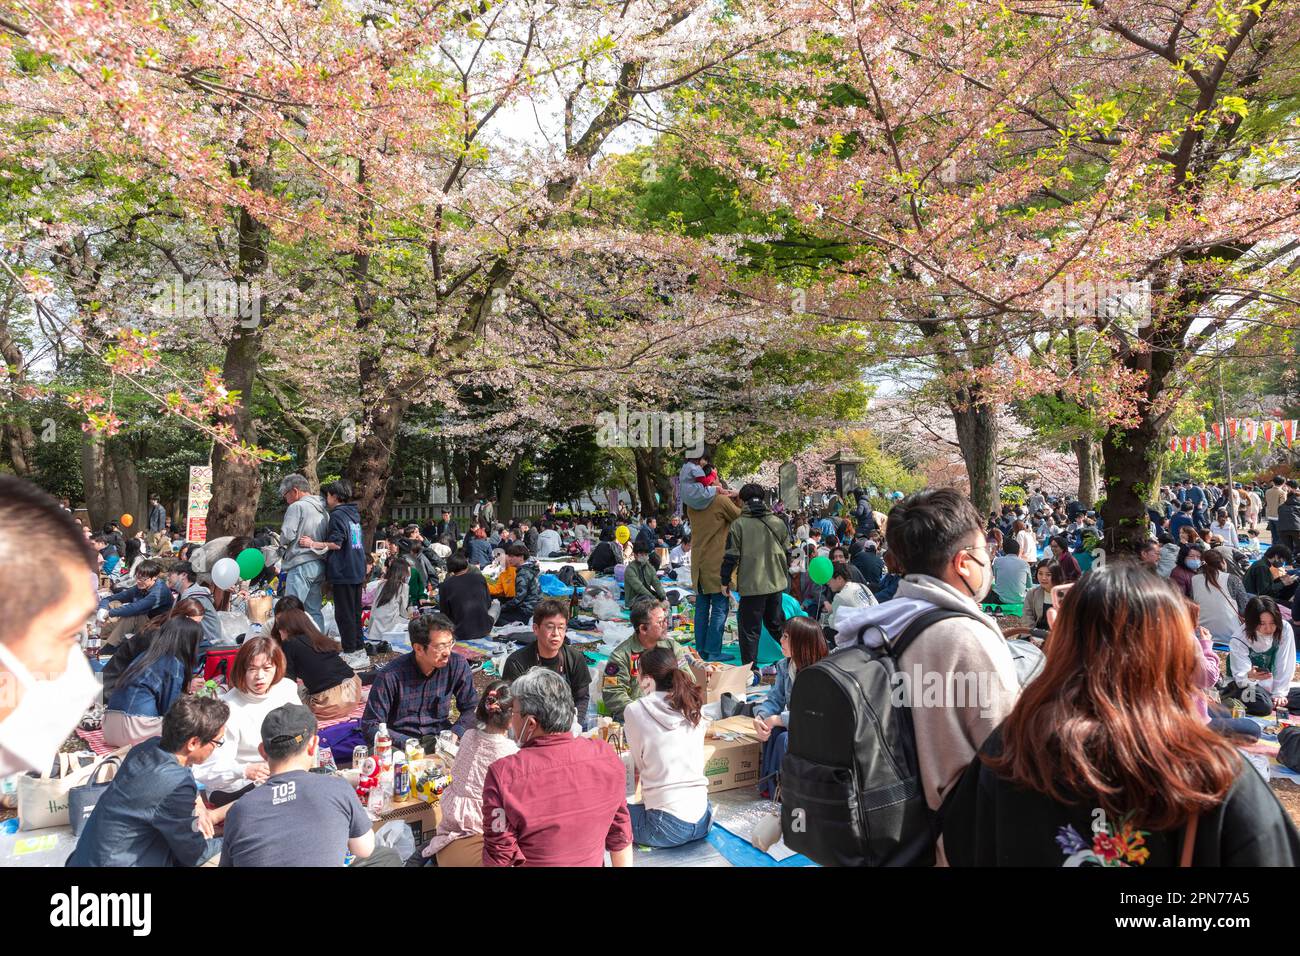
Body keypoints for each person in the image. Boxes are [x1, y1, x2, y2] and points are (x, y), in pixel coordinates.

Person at [942, 563, 1300, 866]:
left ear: (1065, 642)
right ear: (1173, 652)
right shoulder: (1211, 772)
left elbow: (964, 844)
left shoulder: (1011, 747)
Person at [830, 488, 1021, 864]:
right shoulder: (966, 637)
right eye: (986, 553)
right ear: (964, 562)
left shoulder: (879, 625)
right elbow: (1012, 755)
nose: (989, 562)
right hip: (952, 843)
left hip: (888, 834)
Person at [482, 668, 633, 866]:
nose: (511, 722)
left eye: (514, 712)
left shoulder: (503, 774)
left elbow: (499, 857)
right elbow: (620, 835)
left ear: (531, 723)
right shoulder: (606, 756)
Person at [220, 704, 401, 867]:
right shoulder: (336, 788)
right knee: (387, 857)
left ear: (263, 751)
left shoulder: (240, 809)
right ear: (313, 745)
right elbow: (364, 849)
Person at [68, 696, 227, 867]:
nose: (216, 748)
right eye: (217, 742)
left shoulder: (148, 747)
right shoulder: (176, 785)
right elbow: (195, 854)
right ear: (193, 743)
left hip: (88, 857)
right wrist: (230, 838)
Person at [623, 646, 712, 848]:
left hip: (664, 827)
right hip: (703, 820)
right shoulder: (692, 705)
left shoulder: (635, 710)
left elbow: (639, 764)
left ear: (647, 677)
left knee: (606, 811)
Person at [423, 680, 520, 865]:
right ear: (511, 720)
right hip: (479, 821)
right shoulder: (509, 751)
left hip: (452, 812)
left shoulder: (468, 736)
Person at [193, 636, 300, 802]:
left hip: (281, 772)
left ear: (277, 667)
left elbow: (303, 729)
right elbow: (206, 768)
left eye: (267, 668)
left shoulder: (286, 689)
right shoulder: (227, 708)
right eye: (252, 669)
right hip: (238, 784)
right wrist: (245, 770)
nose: (260, 676)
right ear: (241, 670)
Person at [360, 612, 478, 749]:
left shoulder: (457, 664)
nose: (447, 652)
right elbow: (370, 725)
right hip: (401, 744)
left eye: (450, 644)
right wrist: (409, 744)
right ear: (418, 648)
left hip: (441, 740)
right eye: (440, 646)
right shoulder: (391, 675)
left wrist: (456, 732)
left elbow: (471, 706)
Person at [751, 616, 826, 798]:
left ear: (801, 641)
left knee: (784, 738)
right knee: (773, 732)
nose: (781, 641)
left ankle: (788, 791)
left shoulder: (822, 672)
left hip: (820, 732)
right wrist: (761, 718)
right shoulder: (786, 665)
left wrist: (778, 719)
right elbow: (775, 698)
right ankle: (771, 787)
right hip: (797, 725)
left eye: (786, 637)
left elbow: (815, 715)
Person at [297, 479, 368, 669]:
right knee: (354, 612)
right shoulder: (353, 514)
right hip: (356, 569)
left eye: (327, 495)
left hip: (344, 571)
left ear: (335, 496)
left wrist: (311, 543)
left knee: (344, 614)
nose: (325, 499)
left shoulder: (337, 515)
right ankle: (359, 650)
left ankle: (350, 652)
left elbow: (337, 543)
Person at [721, 484, 790, 674]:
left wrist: (724, 580)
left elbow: (731, 556)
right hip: (776, 583)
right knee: (776, 625)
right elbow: (788, 549)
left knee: (749, 631)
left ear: (742, 501)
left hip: (751, 586)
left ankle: (750, 672)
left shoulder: (739, 525)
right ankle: (797, 657)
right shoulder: (778, 522)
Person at [103, 618, 203, 748]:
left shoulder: (146, 656)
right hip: (134, 729)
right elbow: (171, 710)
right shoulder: (173, 664)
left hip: (109, 727)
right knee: (193, 723)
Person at [603, 598, 698, 722]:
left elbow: (689, 680)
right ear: (643, 629)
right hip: (638, 719)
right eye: (660, 622)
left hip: (672, 714)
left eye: (665, 620)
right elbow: (613, 694)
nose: (666, 625)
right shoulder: (620, 656)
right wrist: (644, 713)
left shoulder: (673, 648)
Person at [503, 599, 591, 726]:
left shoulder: (575, 658)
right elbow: (512, 704)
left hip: (566, 724)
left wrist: (574, 724)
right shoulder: (516, 662)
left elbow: (582, 698)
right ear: (535, 629)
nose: (556, 634)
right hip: (530, 727)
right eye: (550, 627)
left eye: (561, 627)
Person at [270, 605, 362, 719]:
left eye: (280, 629)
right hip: (354, 689)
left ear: (286, 629)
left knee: (296, 692)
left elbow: (288, 681)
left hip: (330, 703)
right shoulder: (317, 637)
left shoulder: (289, 643)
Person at [1224, 596, 1297, 717]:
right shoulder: (1239, 639)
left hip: (1272, 686)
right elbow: (1241, 678)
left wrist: (1279, 694)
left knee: (1268, 701)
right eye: (1262, 624)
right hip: (1246, 686)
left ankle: (1274, 701)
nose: (1268, 629)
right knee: (1263, 705)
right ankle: (1271, 702)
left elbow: (1285, 663)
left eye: (1273, 623)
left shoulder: (1284, 629)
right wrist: (1250, 676)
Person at [277, 474, 331, 631]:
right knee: (313, 610)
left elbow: (287, 535)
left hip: (300, 563)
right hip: (319, 564)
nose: (286, 500)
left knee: (291, 609)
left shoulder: (297, 507)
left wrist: (280, 545)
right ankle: (319, 645)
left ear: (295, 491)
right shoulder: (323, 509)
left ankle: (292, 647)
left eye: (286, 495)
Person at [96, 559, 174, 652]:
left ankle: (109, 647)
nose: (138, 581)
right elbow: (110, 598)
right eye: (137, 577)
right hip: (143, 622)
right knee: (114, 604)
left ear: (154, 577)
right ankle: (100, 637)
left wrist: (109, 613)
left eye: (143, 579)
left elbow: (136, 608)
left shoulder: (160, 591)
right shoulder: (140, 587)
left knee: (132, 615)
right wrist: (102, 609)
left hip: (157, 627)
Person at [1189, 549, 1247, 642]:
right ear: (1222, 562)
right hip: (1231, 636)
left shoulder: (1194, 580)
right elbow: (1244, 609)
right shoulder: (1232, 579)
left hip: (1202, 636)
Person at [436, 552, 494, 641]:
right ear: (466, 564)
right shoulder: (480, 578)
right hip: (485, 629)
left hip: (461, 632)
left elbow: (444, 613)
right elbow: (488, 603)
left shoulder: (445, 585)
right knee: (496, 605)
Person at [488, 543, 541, 626]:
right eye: (509, 556)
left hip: (527, 610)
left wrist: (501, 608)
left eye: (512, 556)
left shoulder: (523, 573)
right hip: (534, 607)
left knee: (494, 618)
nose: (509, 559)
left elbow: (519, 598)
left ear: (521, 557)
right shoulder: (529, 569)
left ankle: (518, 625)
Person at [1019, 561, 1064, 632]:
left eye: (1048, 575)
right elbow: (1027, 616)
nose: (1043, 578)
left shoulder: (1065, 594)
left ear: (1056, 575)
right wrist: (1032, 634)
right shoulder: (1032, 593)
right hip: (1036, 633)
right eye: (1040, 573)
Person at [990, 537, 1034, 606]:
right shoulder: (1025, 564)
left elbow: (996, 580)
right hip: (1020, 600)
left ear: (1004, 551)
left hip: (1000, 599)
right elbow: (1029, 585)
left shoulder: (998, 561)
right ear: (1018, 551)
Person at [623, 540, 667, 606]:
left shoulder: (649, 566)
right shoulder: (630, 569)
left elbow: (656, 583)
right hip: (634, 599)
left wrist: (663, 597)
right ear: (635, 554)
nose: (644, 556)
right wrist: (654, 599)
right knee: (647, 599)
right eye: (641, 554)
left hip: (648, 596)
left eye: (646, 554)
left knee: (673, 594)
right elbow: (639, 588)